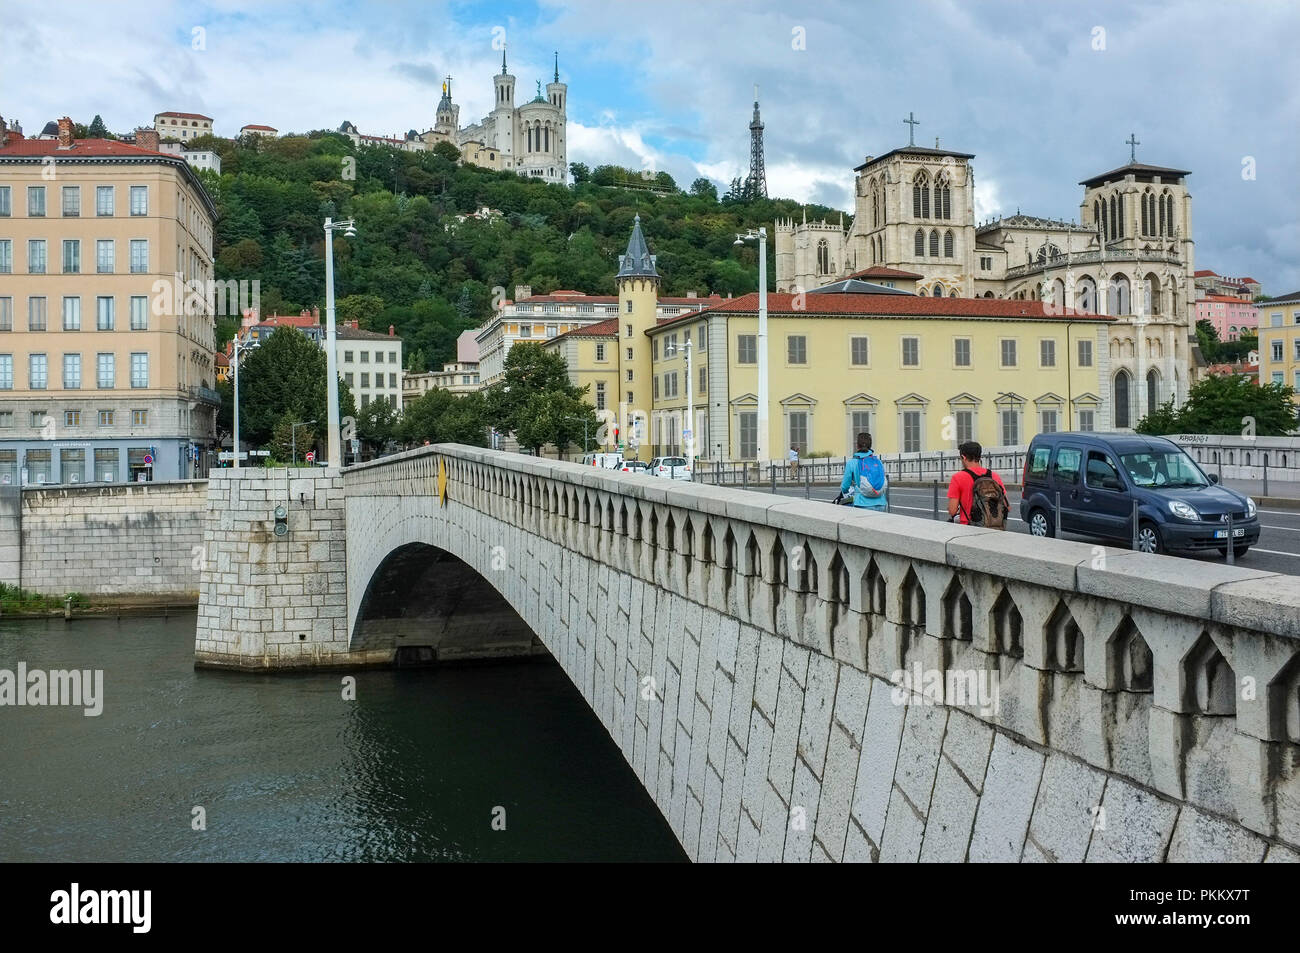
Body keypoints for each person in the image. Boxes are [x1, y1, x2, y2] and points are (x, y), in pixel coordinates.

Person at [947, 441, 1009, 528]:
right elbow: (1007, 506)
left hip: (969, 527)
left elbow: (952, 510)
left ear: (963, 457)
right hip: (995, 527)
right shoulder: (994, 476)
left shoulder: (957, 477)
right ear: (979, 457)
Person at [839, 432, 888, 510]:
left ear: (857, 445)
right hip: (881, 503)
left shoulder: (852, 462)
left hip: (862, 504)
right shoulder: (878, 461)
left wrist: (845, 492)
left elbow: (845, 486)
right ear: (870, 445)